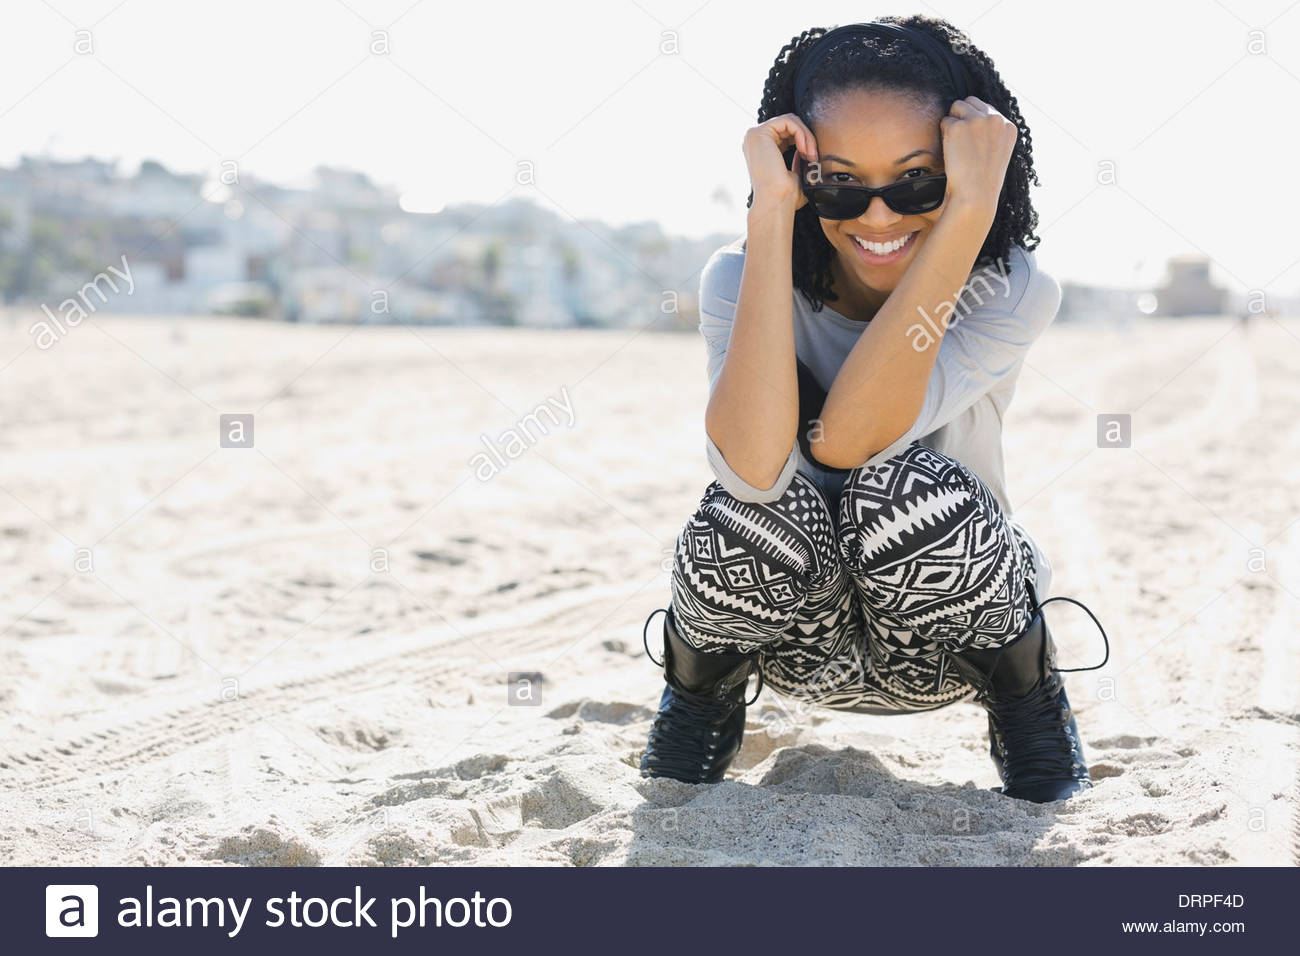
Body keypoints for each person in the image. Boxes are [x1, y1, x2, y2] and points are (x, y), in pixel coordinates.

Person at [638, 15, 1108, 802]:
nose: (879, 216)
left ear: (963, 173)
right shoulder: (739, 277)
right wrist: (769, 219)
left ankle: (1030, 709)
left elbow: (852, 439)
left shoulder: (1009, 289)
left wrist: (968, 214)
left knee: (902, 490)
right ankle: (695, 702)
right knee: (747, 509)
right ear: (802, 173)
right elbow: (750, 469)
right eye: (841, 182)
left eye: (918, 180)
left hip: (947, 639)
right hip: (794, 645)